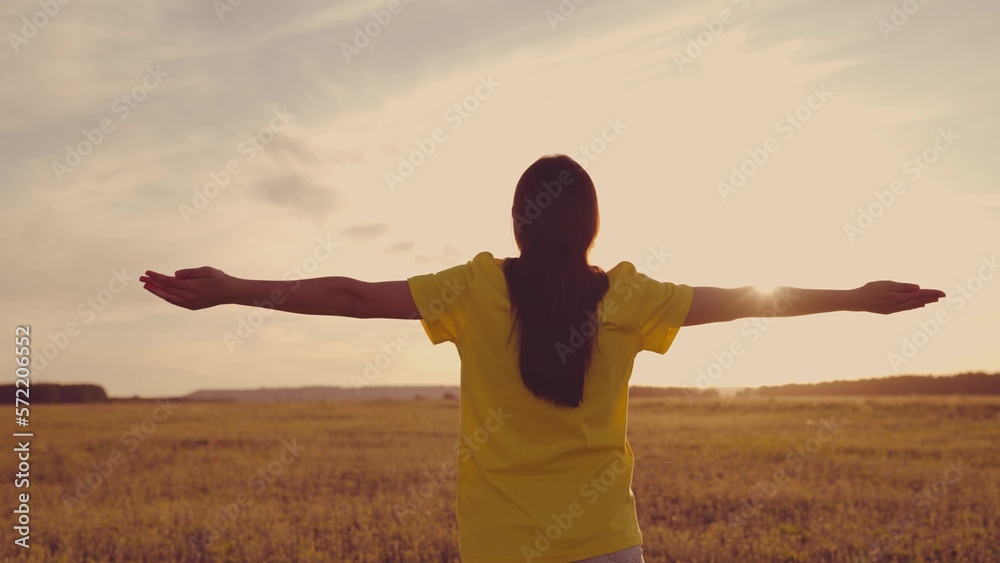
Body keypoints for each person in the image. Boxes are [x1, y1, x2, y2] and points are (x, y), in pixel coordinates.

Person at [140, 154, 945, 562]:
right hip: (606, 540)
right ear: (592, 226)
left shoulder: (475, 288)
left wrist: (237, 288)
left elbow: (351, 293)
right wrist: (853, 295)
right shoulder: (629, 297)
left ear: (520, 223)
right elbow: (746, 297)